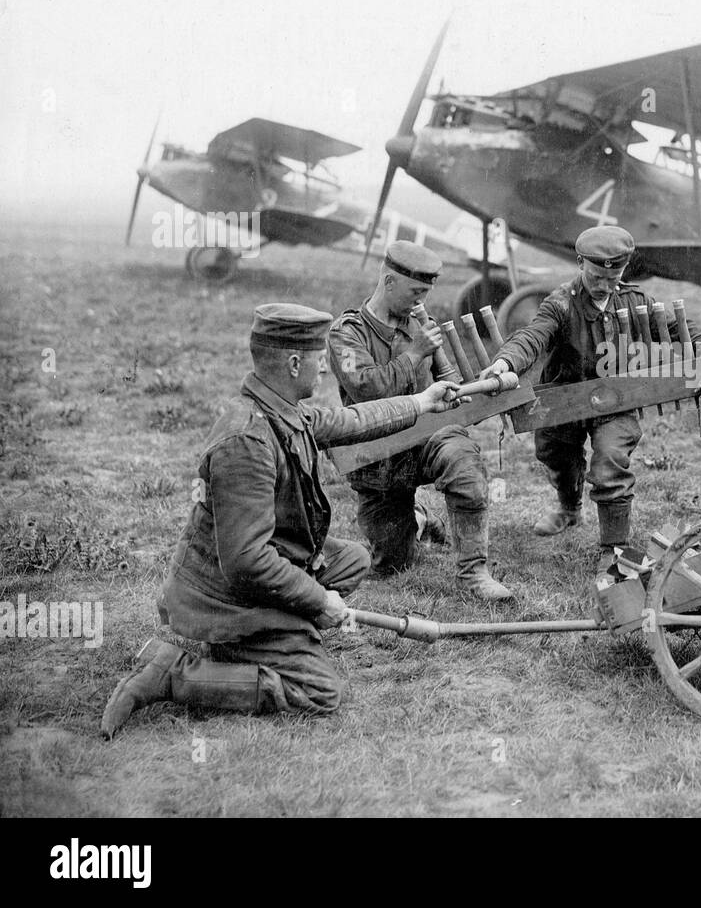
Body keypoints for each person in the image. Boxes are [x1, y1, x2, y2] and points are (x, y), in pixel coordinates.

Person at [102, 303, 466, 739]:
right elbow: (246, 562)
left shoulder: (280, 408)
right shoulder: (247, 440)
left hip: (254, 568)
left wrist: (421, 402)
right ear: (294, 363)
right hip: (226, 596)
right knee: (319, 691)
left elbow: (351, 420)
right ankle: (175, 673)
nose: (326, 371)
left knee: (352, 560)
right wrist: (316, 600)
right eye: (318, 359)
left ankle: (273, 635)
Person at [479, 225, 701, 577]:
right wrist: (505, 362)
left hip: (616, 403)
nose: (604, 284)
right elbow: (532, 337)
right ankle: (570, 510)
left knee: (610, 460)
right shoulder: (559, 303)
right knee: (556, 454)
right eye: (596, 276)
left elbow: (679, 327)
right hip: (565, 400)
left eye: (612, 277)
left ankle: (613, 551)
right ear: (580, 262)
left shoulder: (635, 302)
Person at [327, 241, 512, 602]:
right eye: (415, 292)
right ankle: (420, 519)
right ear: (388, 281)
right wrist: (415, 354)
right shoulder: (345, 334)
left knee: (466, 469)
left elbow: (450, 381)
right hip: (378, 453)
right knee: (393, 563)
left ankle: (474, 572)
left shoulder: (419, 324)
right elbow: (367, 391)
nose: (420, 302)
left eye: (425, 293)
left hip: (432, 435)